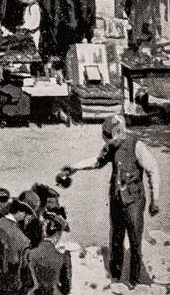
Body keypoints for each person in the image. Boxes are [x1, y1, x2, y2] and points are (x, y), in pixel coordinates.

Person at [62, 115, 160, 285]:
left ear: (120, 132)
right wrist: (75, 167)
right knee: (116, 238)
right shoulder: (111, 145)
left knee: (135, 242)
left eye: (110, 139)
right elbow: (97, 161)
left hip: (134, 201)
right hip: (116, 199)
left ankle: (134, 281)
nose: (108, 143)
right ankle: (116, 275)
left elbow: (154, 170)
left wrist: (155, 200)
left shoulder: (136, 145)